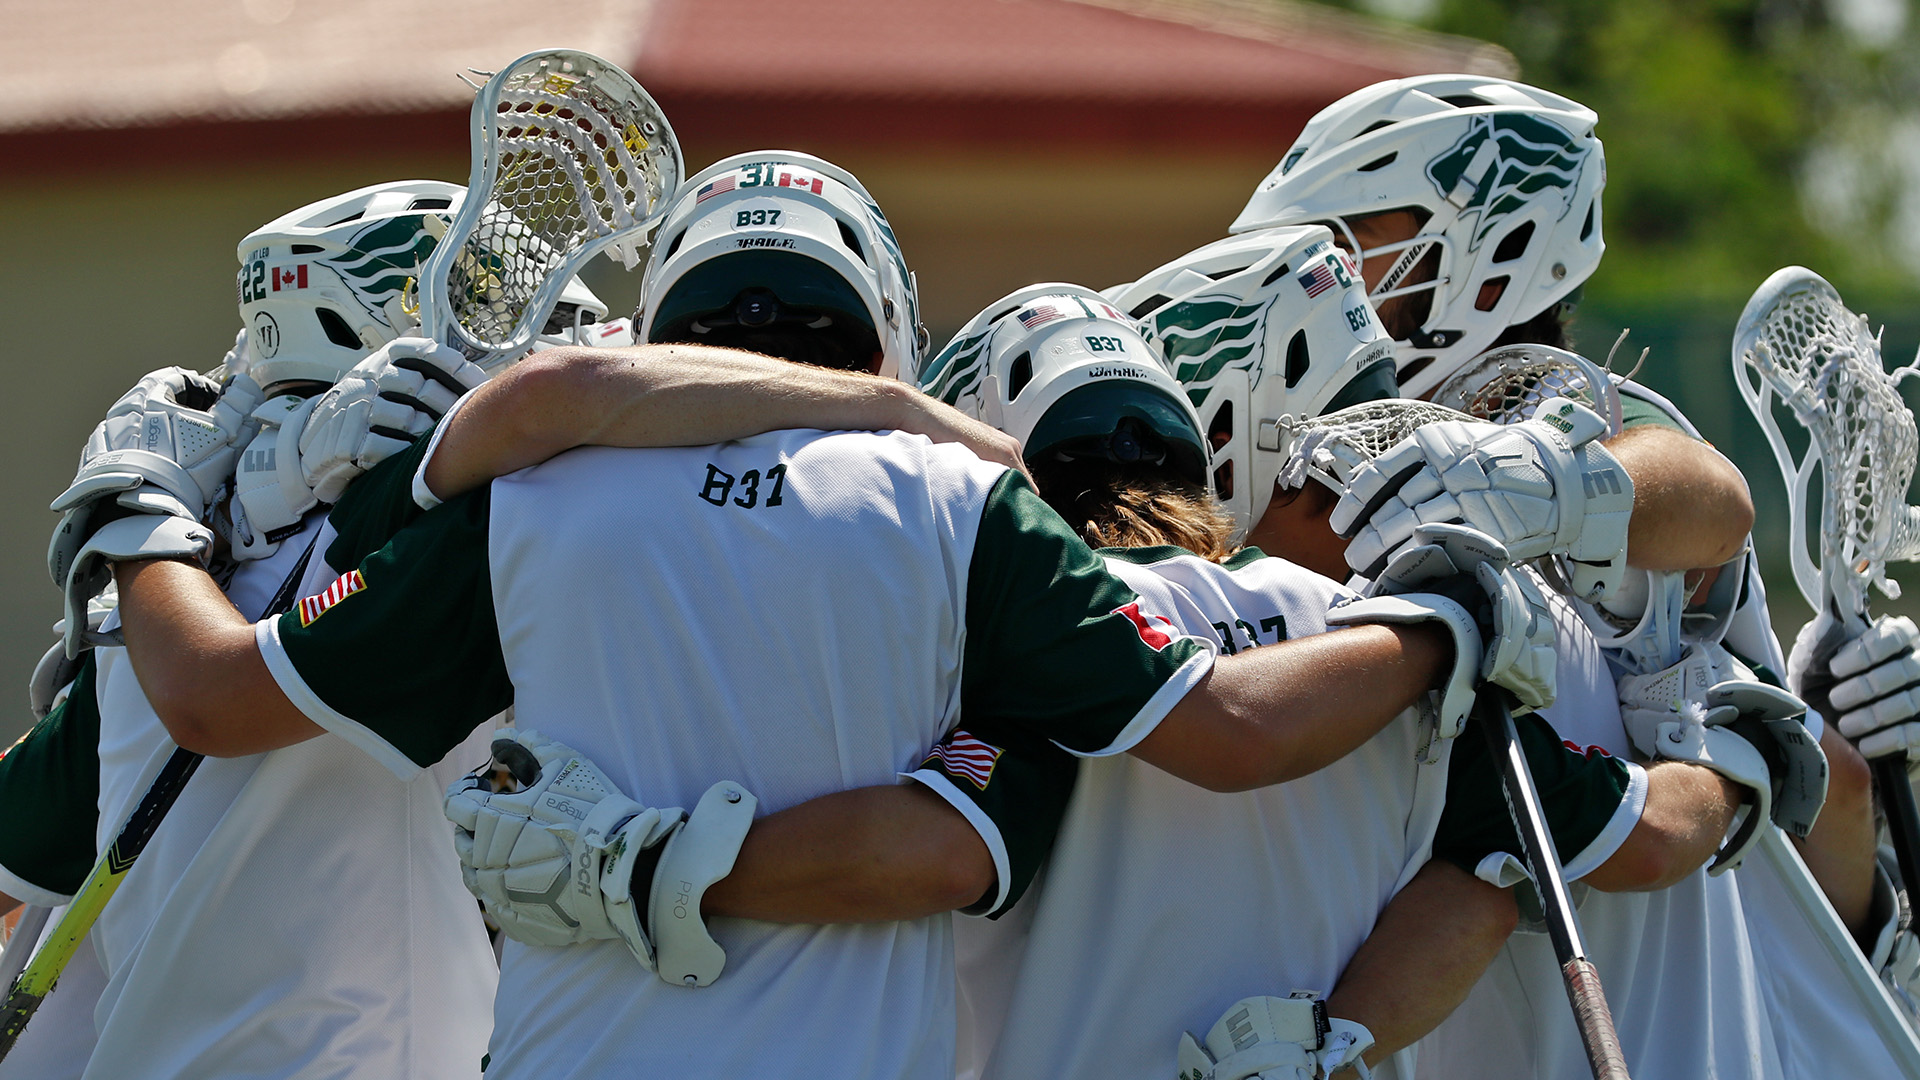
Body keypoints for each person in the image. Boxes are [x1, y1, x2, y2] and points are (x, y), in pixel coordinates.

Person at [0, 179, 620, 1079]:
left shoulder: (170, 576)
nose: (543, 344)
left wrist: (145, 515)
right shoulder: (201, 574)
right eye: (499, 307)